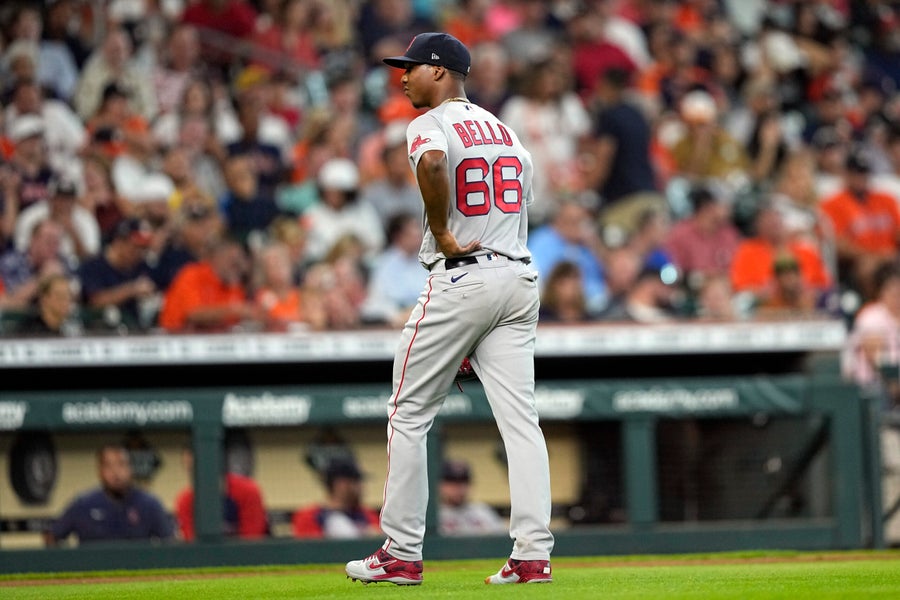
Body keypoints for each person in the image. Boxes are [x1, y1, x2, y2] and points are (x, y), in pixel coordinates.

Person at [345, 32, 553, 586]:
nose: (403, 76)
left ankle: (401, 553)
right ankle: (533, 554)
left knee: (408, 412)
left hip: (462, 275)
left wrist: (441, 231)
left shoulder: (428, 123)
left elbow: (434, 163)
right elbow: (522, 206)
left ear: (439, 71)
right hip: (517, 276)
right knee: (521, 422)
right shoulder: (506, 132)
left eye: (411, 67)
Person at [44, 443, 173, 546]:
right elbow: (52, 536)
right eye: (108, 466)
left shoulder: (150, 504)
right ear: (99, 470)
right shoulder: (82, 504)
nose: (116, 473)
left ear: (131, 468)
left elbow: (170, 541)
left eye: (121, 464)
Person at [173, 445, 269, 542]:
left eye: (197, 468)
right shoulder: (186, 500)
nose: (194, 474)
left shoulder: (247, 491)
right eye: (189, 469)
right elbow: (192, 542)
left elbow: (252, 539)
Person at [292, 458, 380, 539]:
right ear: (340, 484)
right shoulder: (309, 516)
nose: (361, 488)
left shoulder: (367, 514)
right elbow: (309, 548)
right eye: (356, 482)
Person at [439, 459, 506, 536]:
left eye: (463, 482)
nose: (459, 488)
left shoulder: (484, 512)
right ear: (441, 485)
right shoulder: (435, 516)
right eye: (452, 482)